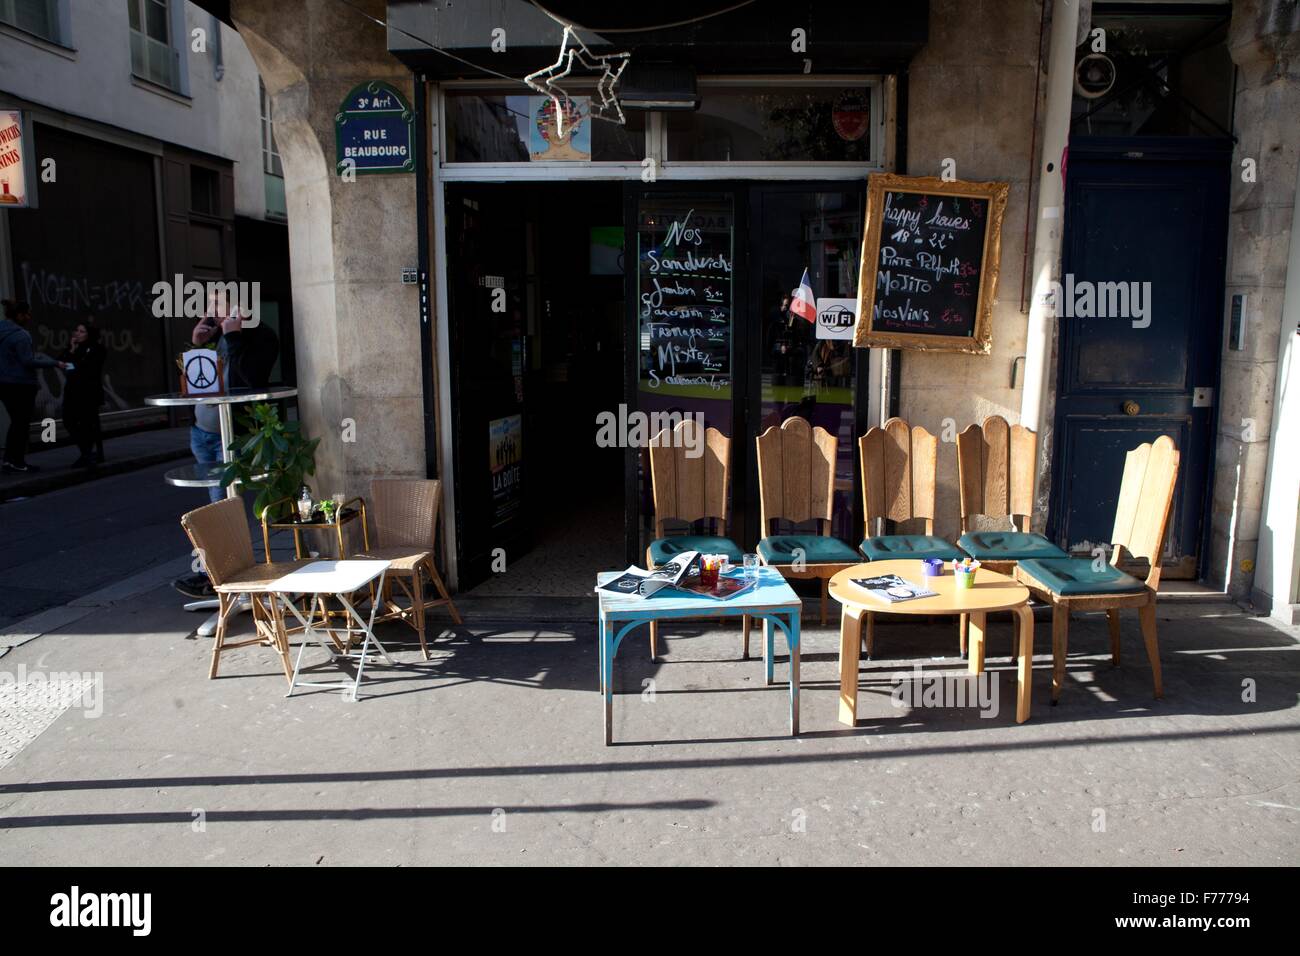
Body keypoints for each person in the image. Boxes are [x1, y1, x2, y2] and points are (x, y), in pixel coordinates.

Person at [173, 288, 279, 598]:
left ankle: (219, 576)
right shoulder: (216, 336)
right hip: (202, 430)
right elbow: (197, 380)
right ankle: (218, 574)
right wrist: (198, 345)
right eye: (210, 308)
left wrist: (233, 338)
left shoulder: (260, 336)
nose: (213, 314)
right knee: (212, 506)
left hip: (228, 434)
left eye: (218, 306)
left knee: (222, 508)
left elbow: (252, 380)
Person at [0, 299, 65, 473]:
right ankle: (18, 461)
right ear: (19, 315)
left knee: (16, 423)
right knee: (21, 424)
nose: (29, 317)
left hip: (3, 384)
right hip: (21, 385)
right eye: (27, 314)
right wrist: (54, 363)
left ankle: (9, 459)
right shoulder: (21, 335)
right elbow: (28, 361)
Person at [59, 316, 107, 468]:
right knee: (68, 420)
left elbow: (84, 368)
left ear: (89, 334)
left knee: (88, 424)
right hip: (72, 392)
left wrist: (72, 362)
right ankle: (87, 452)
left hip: (88, 393)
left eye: (82, 331)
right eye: (76, 331)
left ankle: (88, 454)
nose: (77, 334)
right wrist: (72, 350)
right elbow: (62, 363)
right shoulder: (73, 347)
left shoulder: (97, 349)